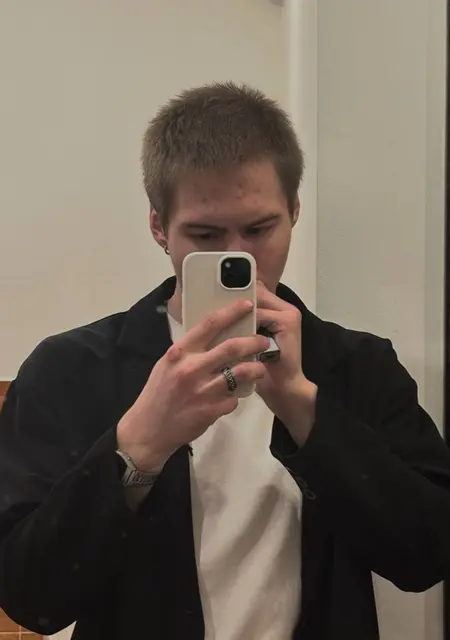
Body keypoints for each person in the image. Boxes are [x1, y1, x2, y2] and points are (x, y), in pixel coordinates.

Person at [1, 82, 450, 640]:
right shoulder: (69, 369)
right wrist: (139, 445)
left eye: (260, 229)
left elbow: (426, 556)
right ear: (159, 227)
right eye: (205, 233)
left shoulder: (359, 365)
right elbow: (30, 597)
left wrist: (304, 408)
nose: (237, 254)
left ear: (295, 211)